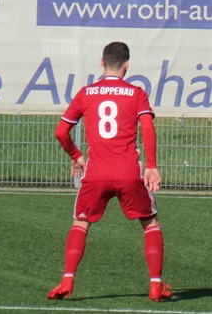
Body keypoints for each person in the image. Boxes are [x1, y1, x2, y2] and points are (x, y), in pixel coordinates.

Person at [49, 41, 172, 302]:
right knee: (150, 223)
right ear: (127, 66)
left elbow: (61, 132)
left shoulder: (86, 93)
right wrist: (151, 165)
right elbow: (148, 127)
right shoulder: (137, 93)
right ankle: (155, 285)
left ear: (102, 63)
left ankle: (67, 281)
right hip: (129, 172)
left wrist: (77, 156)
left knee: (80, 223)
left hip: (96, 173)